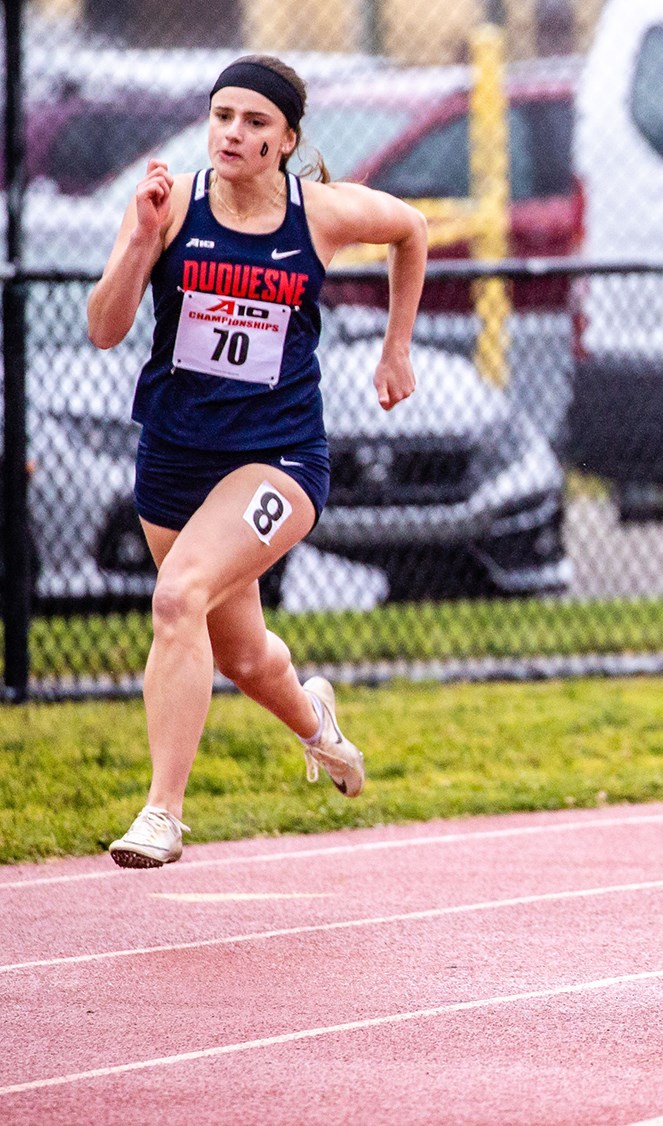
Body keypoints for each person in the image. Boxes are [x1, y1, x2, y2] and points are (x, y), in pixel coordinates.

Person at [86, 56, 428, 867]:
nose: (233, 133)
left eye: (254, 122)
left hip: (279, 458)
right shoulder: (171, 206)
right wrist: (141, 241)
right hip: (175, 458)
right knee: (241, 654)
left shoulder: (321, 215)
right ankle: (318, 723)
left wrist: (396, 348)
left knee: (178, 596)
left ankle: (162, 814)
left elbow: (411, 229)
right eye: (222, 116)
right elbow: (103, 329)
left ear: (287, 140)